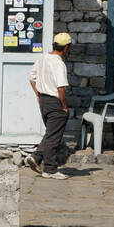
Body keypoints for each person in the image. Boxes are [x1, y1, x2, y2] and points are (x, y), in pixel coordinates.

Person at [25, 33, 72, 178]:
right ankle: (50, 169)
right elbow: (61, 88)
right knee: (54, 137)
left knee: (51, 133)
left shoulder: (43, 58)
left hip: (44, 101)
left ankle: (37, 157)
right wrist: (64, 106)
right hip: (55, 101)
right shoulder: (59, 63)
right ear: (66, 48)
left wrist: (38, 94)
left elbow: (31, 77)